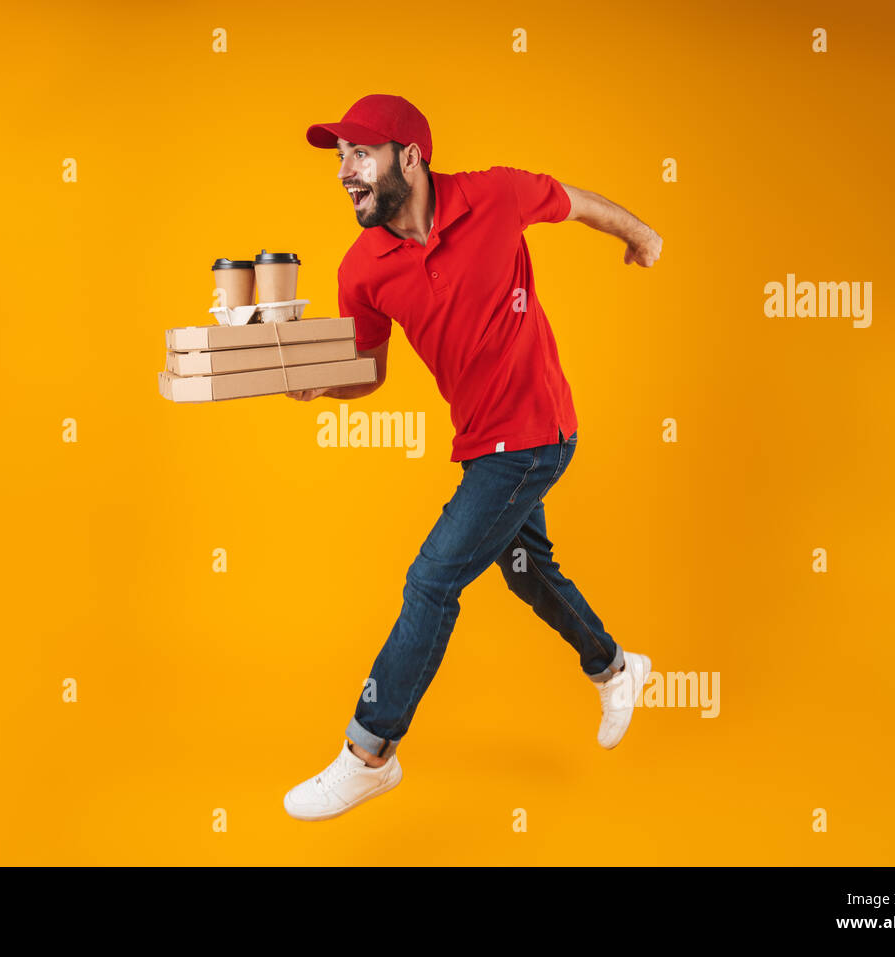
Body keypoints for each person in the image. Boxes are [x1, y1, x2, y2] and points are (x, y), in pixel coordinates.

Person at [283, 94, 663, 821]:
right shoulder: (362, 267)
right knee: (527, 571)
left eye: (359, 154)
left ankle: (370, 752)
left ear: (410, 156)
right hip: (479, 440)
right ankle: (615, 667)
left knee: (431, 579)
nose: (345, 172)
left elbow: (574, 203)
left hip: (534, 433)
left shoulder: (492, 195)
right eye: (339, 159)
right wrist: (318, 387)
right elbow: (369, 369)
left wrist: (639, 234)